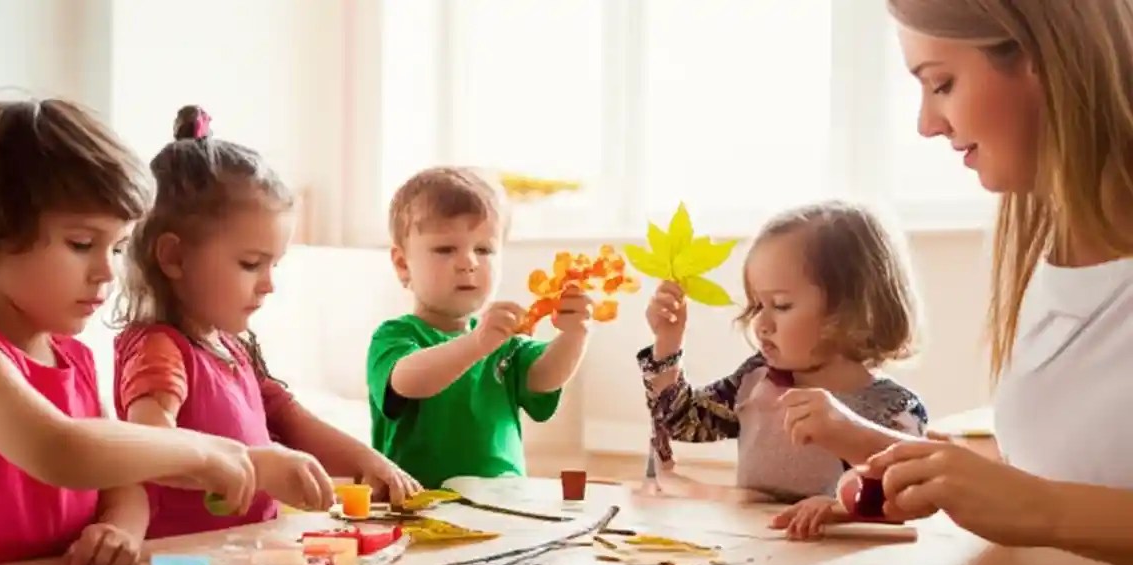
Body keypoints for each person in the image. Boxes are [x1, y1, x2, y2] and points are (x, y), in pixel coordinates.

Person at [851, 3, 1133, 565]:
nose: (927, 123)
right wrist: (943, 482)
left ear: (1040, 56)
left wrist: (1039, 509)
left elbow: (1057, 504)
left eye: (941, 83)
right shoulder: (1053, 258)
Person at [0, 97, 269, 565]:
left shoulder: (73, 359)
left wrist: (120, 530)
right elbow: (61, 450)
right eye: (81, 245)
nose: (105, 272)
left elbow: (124, 486)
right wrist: (201, 452)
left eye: (115, 247)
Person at [112, 105, 417, 539]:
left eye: (274, 264)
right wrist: (255, 464)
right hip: (185, 557)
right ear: (174, 257)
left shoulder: (229, 347)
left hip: (245, 549)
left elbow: (291, 420)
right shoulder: (160, 349)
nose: (268, 284)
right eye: (251, 264)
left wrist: (368, 461)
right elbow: (149, 444)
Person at [641, 200, 928, 539]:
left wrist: (839, 511)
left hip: (840, 561)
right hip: (756, 546)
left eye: (780, 305)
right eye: (757, 305)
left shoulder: (894, 409)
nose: (761, 323)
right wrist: (668, 342)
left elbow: (911, 496)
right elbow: (680, 422)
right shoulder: (754, 380)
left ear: (852, 311)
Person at [367, 166, 591, 489]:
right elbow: (407, 381)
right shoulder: (395, 336)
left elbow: (544, 377)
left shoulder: (504, 340)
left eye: (484, 249)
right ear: (403, 264)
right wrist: (476, 344)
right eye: (446, 249)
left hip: (505, 507)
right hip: (422, 512)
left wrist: (574, 334)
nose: (468, 262)